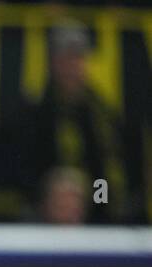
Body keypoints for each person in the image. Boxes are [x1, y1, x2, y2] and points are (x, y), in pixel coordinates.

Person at [16, 23, 127, 223]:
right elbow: (24, 168)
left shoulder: (99, 113)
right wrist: (50, 198)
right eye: (64, 58)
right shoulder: (35, 111)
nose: (71, 66)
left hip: (93, 213)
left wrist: (93, 202)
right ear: (52, 62)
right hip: (43, 213)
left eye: (77, 58)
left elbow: (108, 169)